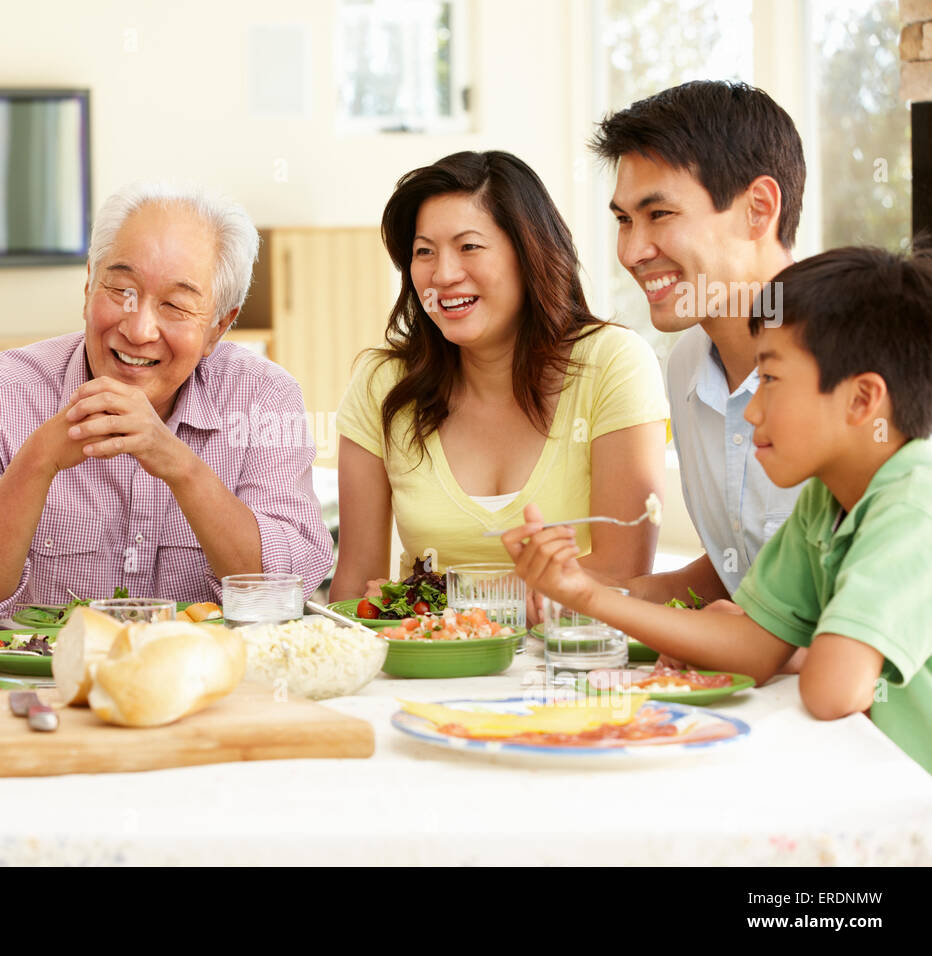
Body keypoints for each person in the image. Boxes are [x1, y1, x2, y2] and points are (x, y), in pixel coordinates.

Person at [504, 246, 932, 774]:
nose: (751, 411)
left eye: (770, 381)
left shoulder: (915, 503)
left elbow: (832, 691)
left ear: (862, 400)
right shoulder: (825, 502)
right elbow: (750, 646)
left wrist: (796, 651)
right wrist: (583, 593)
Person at [0, 183, 332, 626]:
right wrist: (38, 460)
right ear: (88, 286)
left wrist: (180, 466)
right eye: (121, 290)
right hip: (47, 671)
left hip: (206, 668)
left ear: (219, 326)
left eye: (175, 305)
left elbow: (282, 593)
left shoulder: (264, 400)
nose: (139, 330)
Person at [329, 151, 668, 612]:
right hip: (422, 656)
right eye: (424, 251)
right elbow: (355, 586)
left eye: (469, 246)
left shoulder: (611, 363)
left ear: (529, 253)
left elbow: (621, 572)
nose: (443, 274)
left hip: (569, 652)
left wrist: (437, 603)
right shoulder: (382, 383)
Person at [590, 80, 807, 605]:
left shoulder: (857, 363)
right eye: (624, 221)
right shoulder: (687, 365)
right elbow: (753, 560)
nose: (633, 252)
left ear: (758, 209)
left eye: (659, 214)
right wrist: (622, 596)